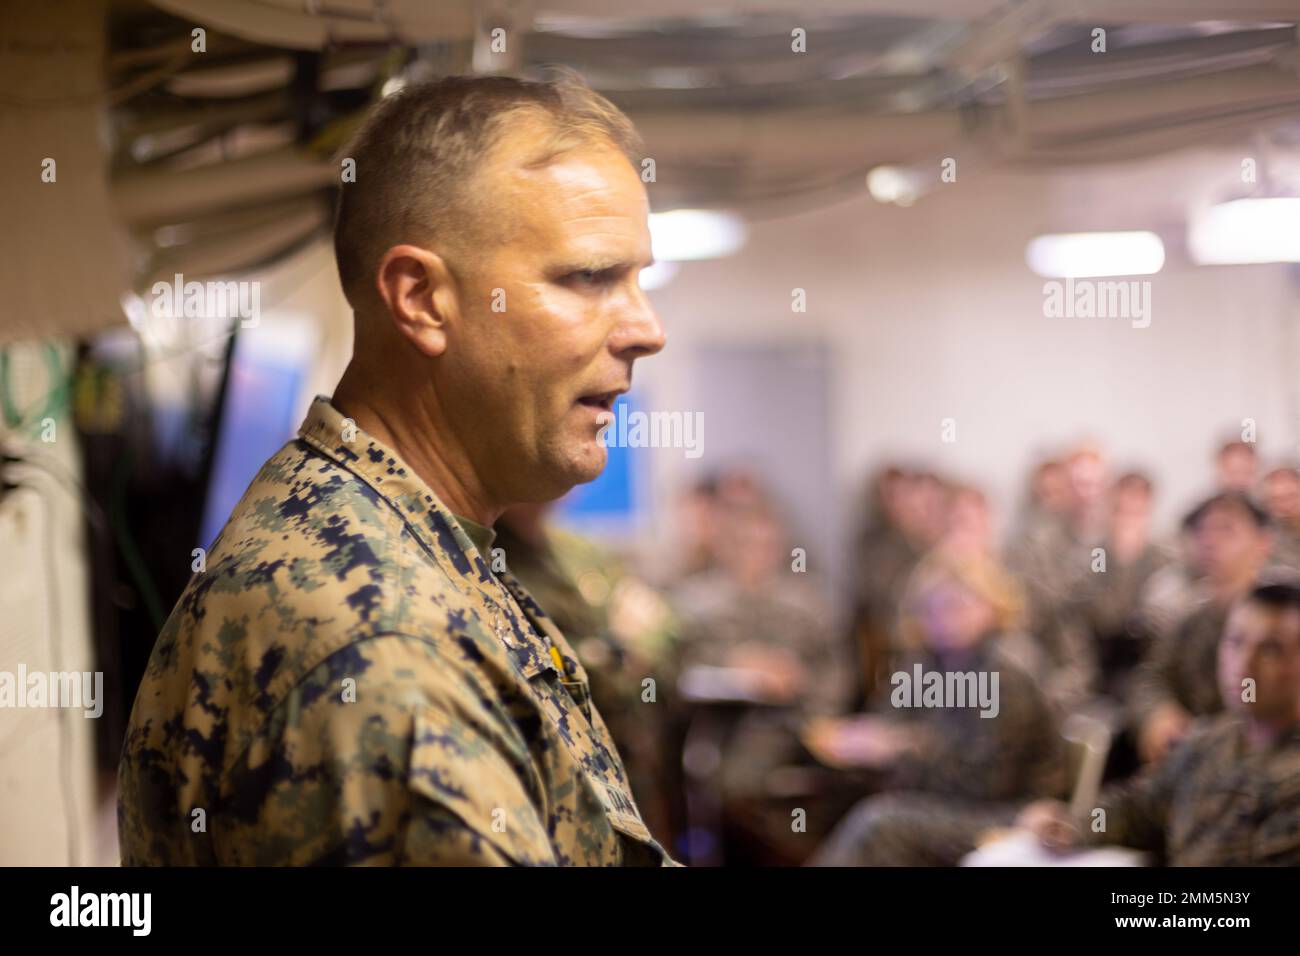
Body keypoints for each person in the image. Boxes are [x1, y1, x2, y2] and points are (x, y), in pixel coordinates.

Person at [117, 72, 675, 865]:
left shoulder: (419, 549)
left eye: (637, 280)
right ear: (420, 299)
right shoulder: (378, 647)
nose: (646, 329)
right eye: (588, 277)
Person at [809, 552, 1065, 866]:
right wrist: (869, 738)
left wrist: (904, 748)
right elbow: (887, 721)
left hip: (1012, 812)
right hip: (944, 795)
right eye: (931, 606)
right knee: (834, 794)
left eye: (958, 604)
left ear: (992, 604)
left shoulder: (1004, 672)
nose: (943, 617)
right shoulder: (928, 661)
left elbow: (985, 783)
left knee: (880, 823)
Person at [1019, 582, 1300, 865]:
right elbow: (1137, 809)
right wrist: (1069, 825)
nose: (1244, 663)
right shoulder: (1208, 743)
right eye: (1235, 641)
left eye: (1271, 649)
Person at [1132, 492, 1275, 765]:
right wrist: (1157, 713)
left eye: (1226, 529)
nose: (1210, 540)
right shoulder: (1192, 620)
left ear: (1263, 543)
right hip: (1198, 771)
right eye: (1202, 530)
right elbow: (1150, 677)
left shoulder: (1283, 621)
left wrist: (1204, 740)